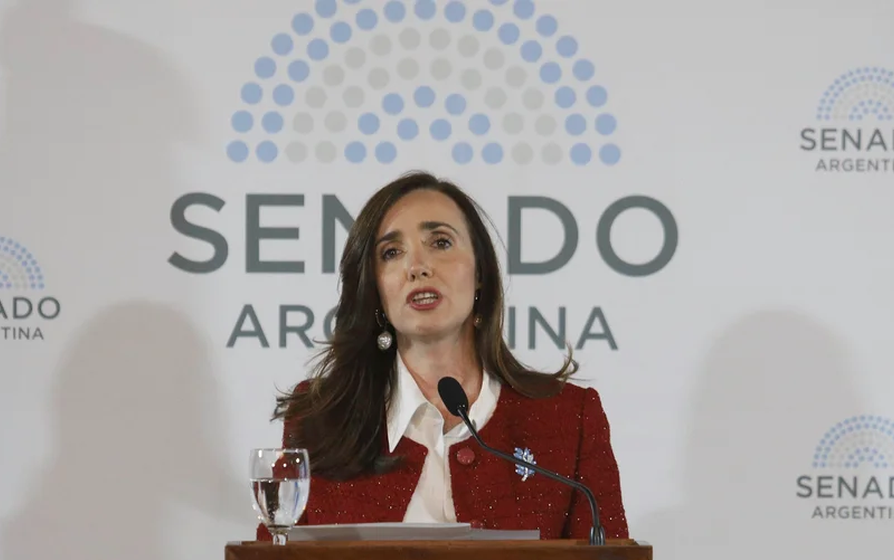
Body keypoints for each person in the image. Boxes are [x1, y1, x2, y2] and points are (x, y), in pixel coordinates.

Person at [261, 171, 629, 540]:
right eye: (391, 253)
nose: (417, 266)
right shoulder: (319, 420)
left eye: (440, 242)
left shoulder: (567, 418)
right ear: (374, 288)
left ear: (481, 272)